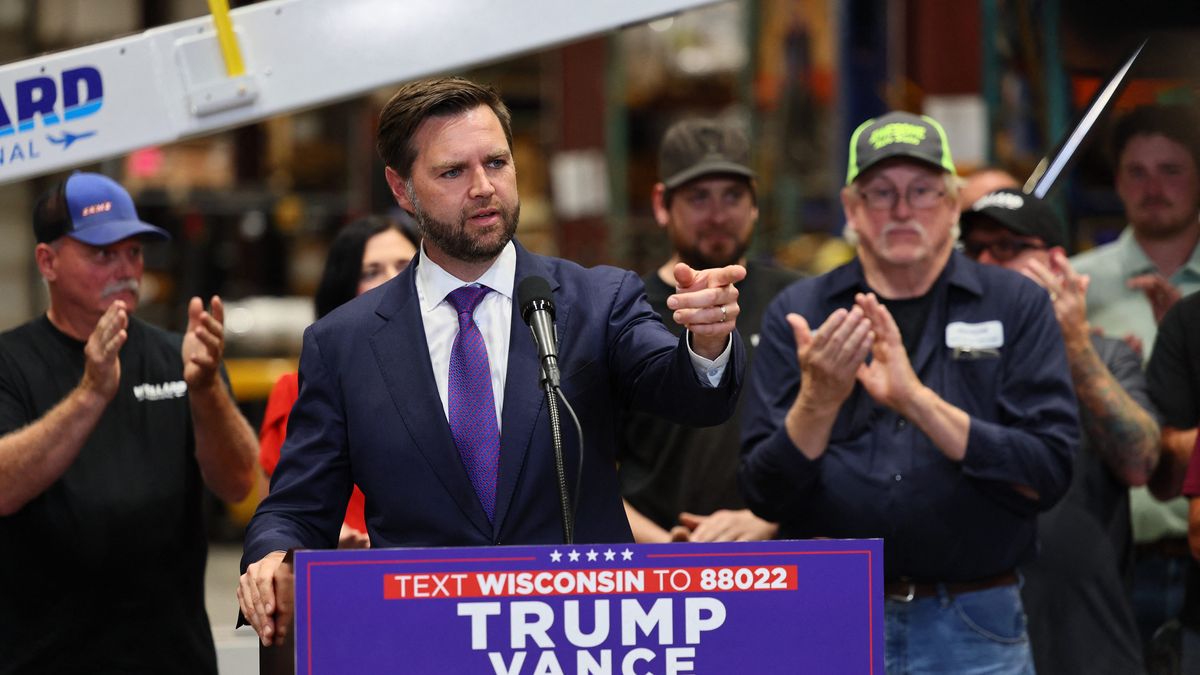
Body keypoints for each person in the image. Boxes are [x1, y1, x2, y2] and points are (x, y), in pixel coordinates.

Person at [238, 76, 747, 647]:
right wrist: (272, 554)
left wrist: (705, 343)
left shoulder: (594, 300)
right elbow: (297, 506)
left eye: (497, 163)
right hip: (421, 645)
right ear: (402, 190)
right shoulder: (344, 344)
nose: (483, 187)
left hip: (577, 639)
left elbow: (685, 391)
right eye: (453, 172)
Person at [740, 111, 1078, 674]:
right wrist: (818, 402)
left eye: (922, 191)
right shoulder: (800, 315)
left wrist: (916, 400)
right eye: (881, 192)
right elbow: (763, 493)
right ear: (851, 210)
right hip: (827, 617)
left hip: (973, 622)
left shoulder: (1016, 305)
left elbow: (1048, 471)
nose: (901, 210)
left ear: (951, 208)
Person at [0, 172, 259, 672]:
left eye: (134, 252)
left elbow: (237, 482)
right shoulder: (11, 363)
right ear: (47, 262)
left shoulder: (178, 356)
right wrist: (91, 393)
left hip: (171, 659)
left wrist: (206, 391)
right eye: (103, 254)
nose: (126, 269)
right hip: (43, 659)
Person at [960, 188, 1161, 675]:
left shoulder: (1108, 356)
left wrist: (1071, 339)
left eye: (1008, 247)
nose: (987, 260)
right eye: (975, 248)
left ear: (1055, 261)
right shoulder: (943, 357)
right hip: (966, 623)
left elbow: (1140, 463)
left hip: (1083, 630)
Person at [619, 118, 797, 543]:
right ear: (662, 204)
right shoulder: (621, 310)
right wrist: (669, 551)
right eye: (699, 197)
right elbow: (583, 468)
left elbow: (840, 435)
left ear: (755, 204)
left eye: (732, 196)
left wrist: (766, 519)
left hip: (784, 566)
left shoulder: (799, 304)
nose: (717, 216)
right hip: (655, 572)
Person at [1071, 104, 1200, 648]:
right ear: (1117, 182)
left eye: (1171, 170)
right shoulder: (1071, 287)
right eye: (1136, 171)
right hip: (1111, 558)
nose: (1154, 187)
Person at [258, 216, 418, 549]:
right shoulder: (300, 389)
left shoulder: (460, 375)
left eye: (405, 266)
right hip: (344, 573)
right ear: (344, 287)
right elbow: (280, 510)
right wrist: (319, 541)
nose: (392, 281)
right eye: (371, 272)